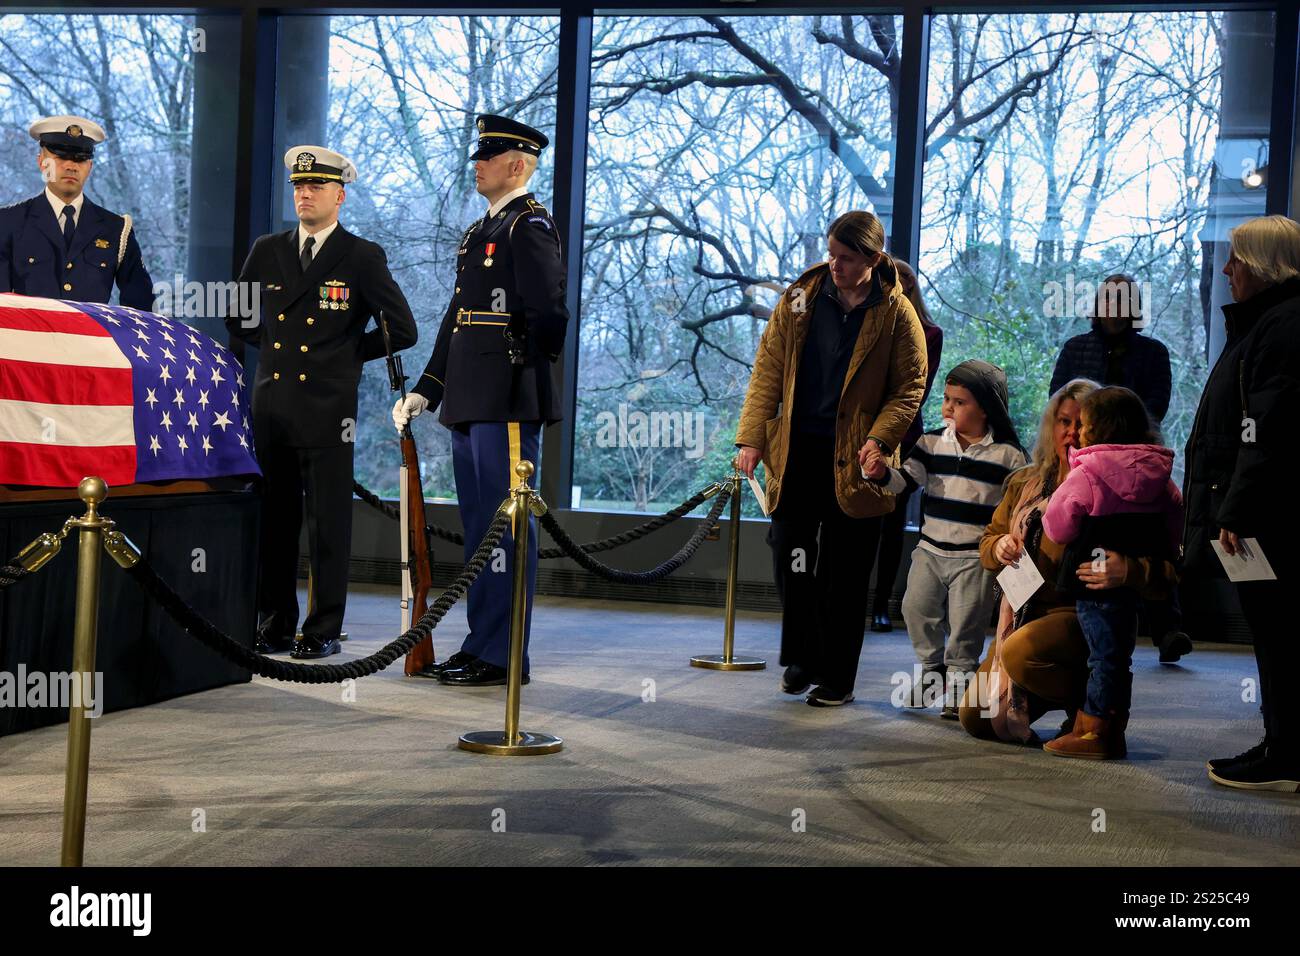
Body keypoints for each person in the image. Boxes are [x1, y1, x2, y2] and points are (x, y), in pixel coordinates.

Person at [392, 115, 568, 687]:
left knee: (507, 528)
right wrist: (428, 386)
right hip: (470, 395)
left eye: (487, 157)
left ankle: (504, 651)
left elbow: (549, 315)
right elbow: (457, 317)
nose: (477, 165)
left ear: (517, 165)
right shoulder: (479, 231)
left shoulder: (529, 226)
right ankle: (480, 642)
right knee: (480, 528)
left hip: (506, 397)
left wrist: (524, 375)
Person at [226, 145, 417, 659]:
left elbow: (404, 330)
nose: (304, 194)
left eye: (315, 187)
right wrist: (273, 351)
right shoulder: (268, 249)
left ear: (340, 195)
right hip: (273, 406)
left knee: (328, 525)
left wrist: (346, 355)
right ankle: (275, 624)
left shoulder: (360, 255)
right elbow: (238, 317)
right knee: (276, 523)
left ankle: (323, 628)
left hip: (331, 411)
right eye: (297, 187)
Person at [735, 210, 927, 707]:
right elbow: (767, 372)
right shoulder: (799, 297)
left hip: (859, 462)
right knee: (791, 554)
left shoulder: (896, 312)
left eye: (846, 258)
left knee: (845, 573)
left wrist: (881, 440)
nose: (835, 265)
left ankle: (837, 677)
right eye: (831, 254)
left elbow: (910, 389)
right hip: (798, 451)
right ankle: (802, 656)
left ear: (873, 259)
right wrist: (751, 439)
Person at [957, 379, 1177, 744]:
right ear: (1051, 427)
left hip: (1081, 617)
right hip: (1022, 614)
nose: (1073, 432)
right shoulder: (1025, 482)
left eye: (1082, 422)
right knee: (976, 718)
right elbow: (987, 542)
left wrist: (1129, 570)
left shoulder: (1122, 487)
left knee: (1021, 652)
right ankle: (1069, 697)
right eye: (1063, 422)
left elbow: (1171, 571)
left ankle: (1091, 706)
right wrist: (999, 548)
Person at [1185, 215, 1300, 793]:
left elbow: (1266, 430)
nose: (1227, 270)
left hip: (1267, 516)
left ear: (1263, 265)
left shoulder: (1281, 326)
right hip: (1265, 508)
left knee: (1277, 634)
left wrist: (1236, 508)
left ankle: (1284, 753)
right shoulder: (1269, 323)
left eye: (1236, 259)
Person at [863, 360, 1026, 719]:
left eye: (959, 401)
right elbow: (904, 482)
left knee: (967, 623)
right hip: (930, 549)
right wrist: (879, 474)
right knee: (914, 608)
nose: (948, 407)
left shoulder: (1008, 456)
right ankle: (931, 668)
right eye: (946, 399)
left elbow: (1019, 506)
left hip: (974, 558)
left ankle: (960, 688)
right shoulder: (931, 442)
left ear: (986, 408)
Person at [1048, 274, 1189, 662]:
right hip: (1088, 451)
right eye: (1107, 299)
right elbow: (1059, 395)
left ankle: (1168, 629)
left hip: (1138, 451)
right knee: (1090, 529)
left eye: (1122, 300)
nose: (1113, 307)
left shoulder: (1153, 351)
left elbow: (1157, 403)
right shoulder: (1076, 347)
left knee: (1150, 536)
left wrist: (1122, 430)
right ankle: (1074, 613)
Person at [1040, 386, 1182, 759]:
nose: (1078, 432)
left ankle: (1096, 732)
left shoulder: (1087, 473)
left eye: (1083, 424)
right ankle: (1099, 727)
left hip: (1091, 579)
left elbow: (1058, 527)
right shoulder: (1160, 475)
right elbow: (1174, 523)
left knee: (1102, 657)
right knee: (1117, 654)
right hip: (1129, 584)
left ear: (1097, 431)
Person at [0, 115, 153, 309]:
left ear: (89, 167)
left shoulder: (116, 230)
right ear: (42, 162)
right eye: (61, 156)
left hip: (90, 339)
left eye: (80, 159)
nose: (71, 166)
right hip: (26, 338)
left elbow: (141, 307)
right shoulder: (7, 223)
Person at [869, 259, 943, 632]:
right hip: (857, 432)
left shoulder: (930, 333)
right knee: (856, 520)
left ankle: (881, 603)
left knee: (892, 523)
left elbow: (915, 390)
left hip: (904, 434)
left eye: (909, 279)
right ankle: (851, 599)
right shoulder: (872, 323)